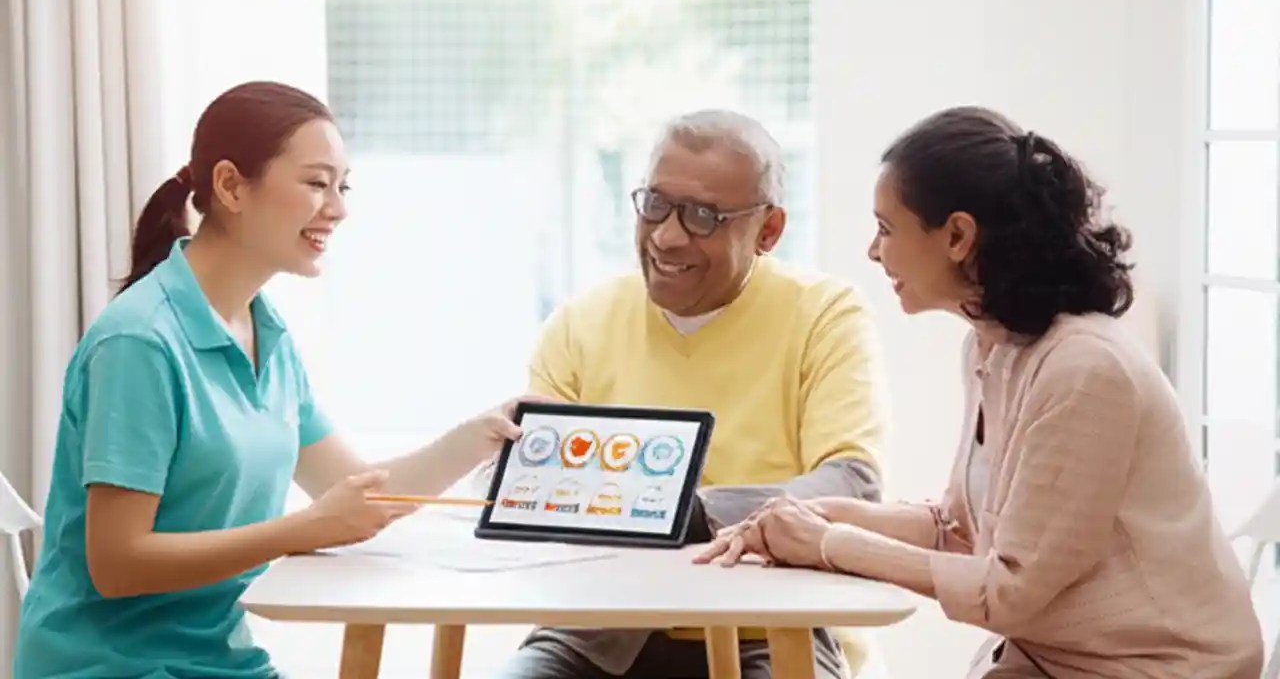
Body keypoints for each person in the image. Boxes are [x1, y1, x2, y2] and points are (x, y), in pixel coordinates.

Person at [698, 106, 1265, 678]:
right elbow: (961, 529)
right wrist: (805, 516)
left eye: (887, 229)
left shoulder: (1086, 369)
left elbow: (1008, 591)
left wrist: (827, 542)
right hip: (1049, 661)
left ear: (958, 236)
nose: (874, 252)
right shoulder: (991, 347)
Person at [14, 81, 527, 678]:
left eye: (343, 186)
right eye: (316, 183)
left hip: (217, 662)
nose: (338, 208)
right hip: (108, 667)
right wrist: (301, 529)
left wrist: (481, 434)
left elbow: (358, 493)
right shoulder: (140, 342)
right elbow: (118, 563)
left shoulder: (266, 334)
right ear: (231, 185)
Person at [497, 109, 889, 679]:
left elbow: (851, 480)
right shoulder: (582, 323)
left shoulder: (826, 315)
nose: (667, 235)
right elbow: (536, 482)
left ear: (769, 231)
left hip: (771, 628)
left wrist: (690, 513)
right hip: (596, 631)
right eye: (654, 204)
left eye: (704, 216)